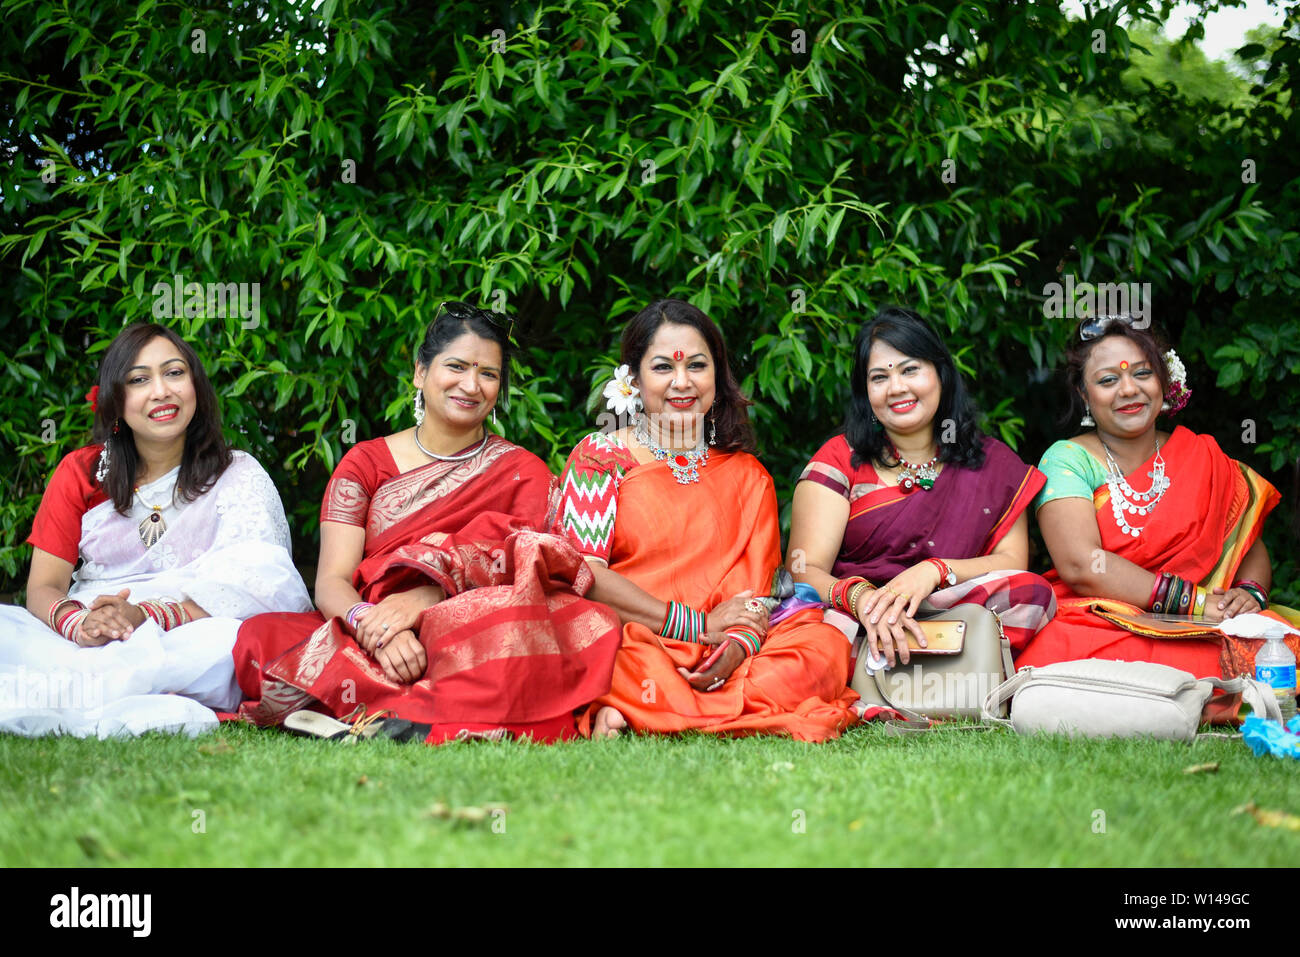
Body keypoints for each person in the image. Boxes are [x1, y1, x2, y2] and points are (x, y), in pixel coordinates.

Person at [233, 301, 622, 743]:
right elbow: (331, 583)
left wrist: (429, 596)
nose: (471, 385)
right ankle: (451, 716)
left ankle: (387, 716)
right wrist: (375, 629)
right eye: (456, 366)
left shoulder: (522, 470)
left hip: (472, 625)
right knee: (258, 638)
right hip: (368, 631)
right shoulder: (364, 463)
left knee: (566, 619)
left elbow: (530, 571)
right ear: (420, 372)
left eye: (488, 374)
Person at [555, 298, 858, 741]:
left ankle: (642, 708)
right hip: (638, 634)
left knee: (823, 644)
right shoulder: (601, 458)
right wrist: (694, 626)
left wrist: (737, 643)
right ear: (633, 380)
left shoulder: (747, 475)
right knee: (603, 646)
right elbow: (584, 573)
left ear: (718, 377)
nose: (682, 382)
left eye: (697, 366)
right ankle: (653, 699)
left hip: (727, 643)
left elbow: (761, 591)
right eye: (663, 368)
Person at [0, 323, 310, 737]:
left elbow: (263, 582)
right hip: (93, 625)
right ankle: (112, 683)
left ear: (195, 386)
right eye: (139, 380)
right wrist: (83, 626)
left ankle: (93, 686)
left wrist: (146, 615)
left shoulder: (236, 472)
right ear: (117, 400)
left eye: (174, 373)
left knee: (229, 641)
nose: (161, 391)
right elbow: (43, 586)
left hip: (190, 629)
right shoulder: (83, 472)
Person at [786, 307, 1055, 706]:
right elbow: (802, 569)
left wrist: (934, 571)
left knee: (1032, 592)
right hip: (856, 613)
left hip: (945, 606)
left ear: (940, 375)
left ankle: (892, 667)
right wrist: (862, 601)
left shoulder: (992, 462)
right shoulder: (842, 458)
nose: (896, 387)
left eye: (910, 370)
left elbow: (1013, 560)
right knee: (805, 623)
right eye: (879, 377)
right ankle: (893, 664)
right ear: (866, 393)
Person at [1017, 315, 1298, 678]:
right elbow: (1081, 564)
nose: (1129, 389)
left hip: (1208, 622)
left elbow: (1248, 544)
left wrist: (1250, 594)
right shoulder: (1066, 459)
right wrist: (1193, 603)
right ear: (1084, 395)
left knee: (1277, 644)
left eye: (1142, 374)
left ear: (1164, 381)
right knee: (1080, 648)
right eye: (1108, 380)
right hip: (1107, 620)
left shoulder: (1199, 455)